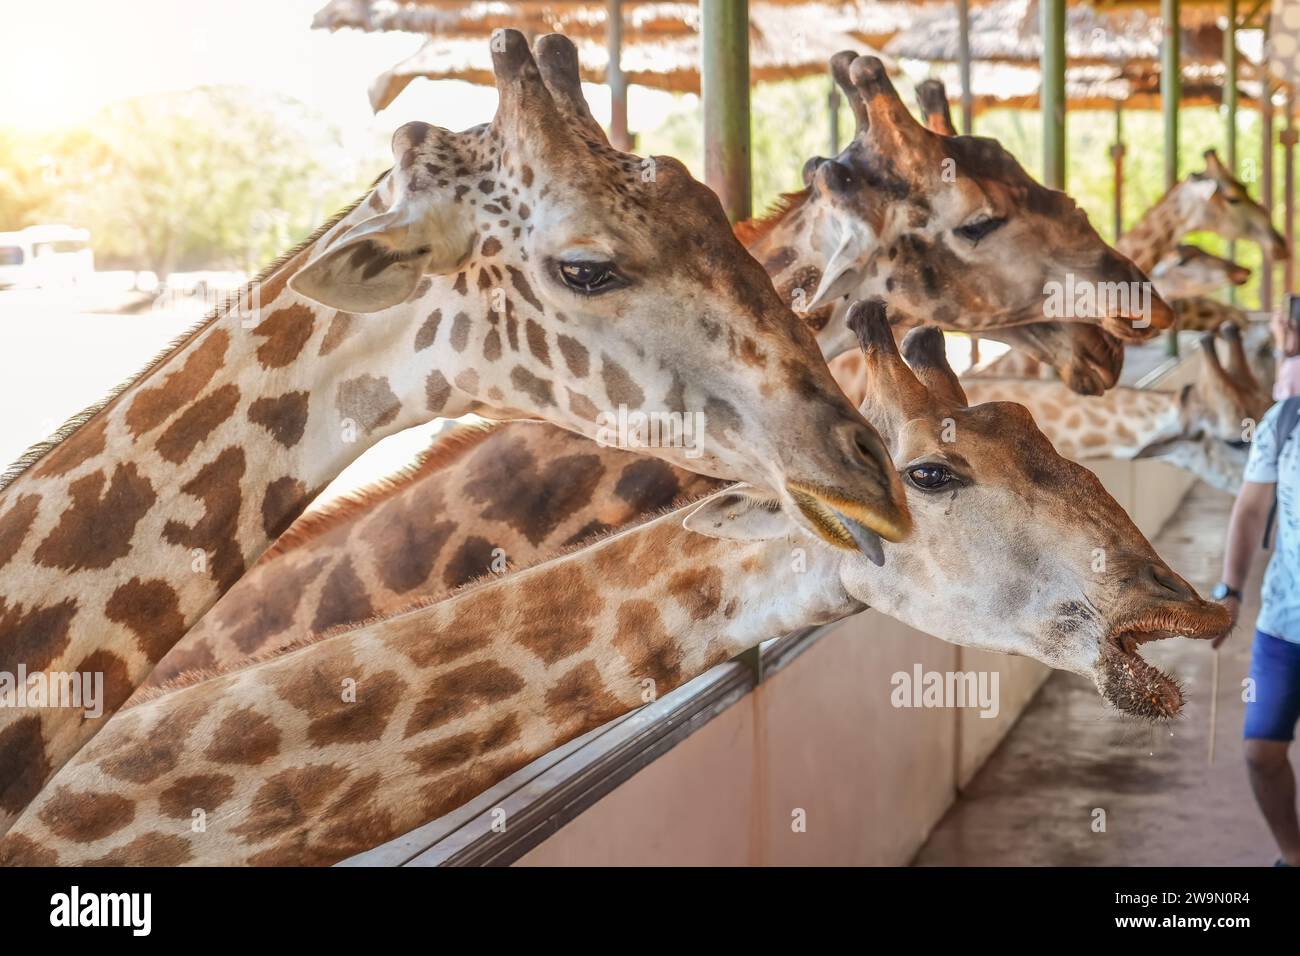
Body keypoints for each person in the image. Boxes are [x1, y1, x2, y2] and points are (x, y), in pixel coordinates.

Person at [1214, 395, 1300, 866]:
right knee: (1260, 752)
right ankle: (1292, 855)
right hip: (1285, 622)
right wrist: (1231, 590)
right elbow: (1250, 508)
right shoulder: (1286, 421)